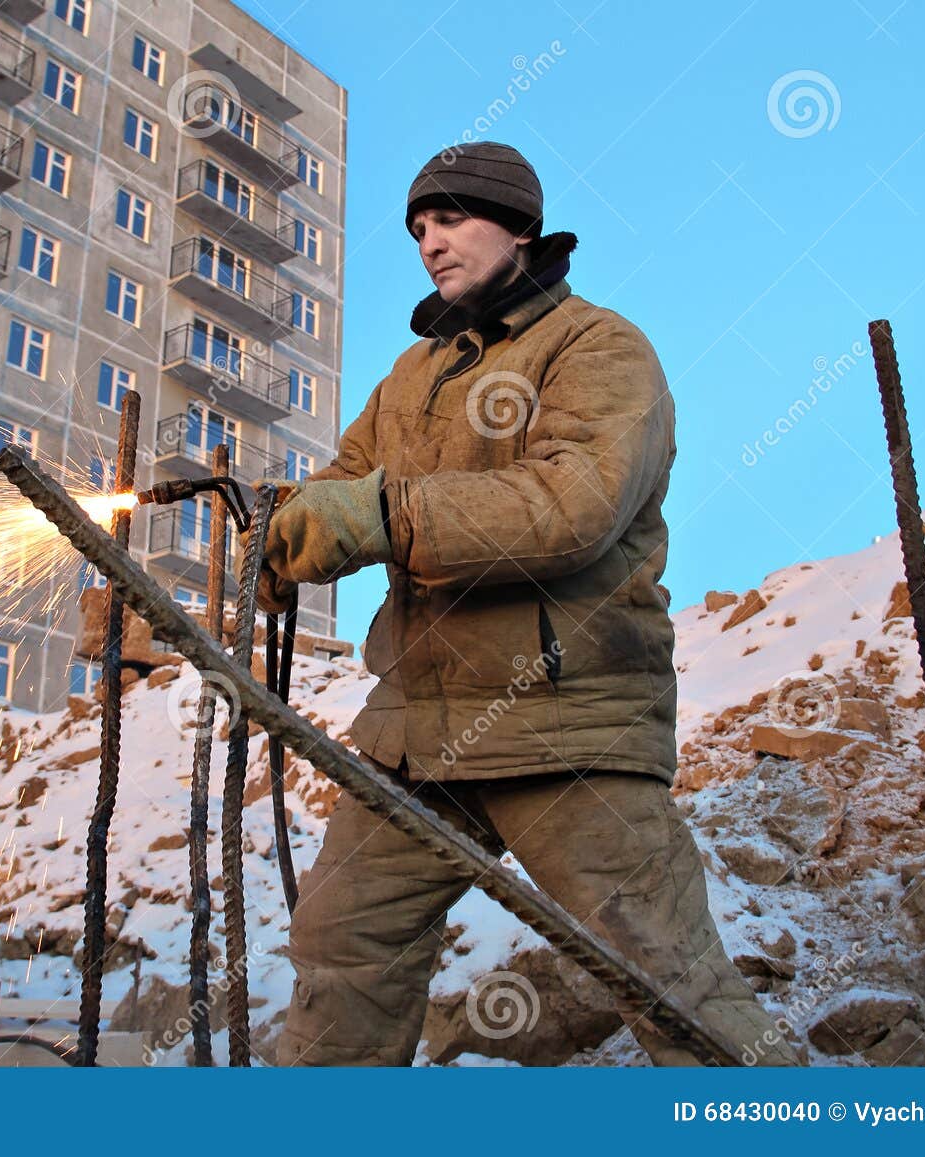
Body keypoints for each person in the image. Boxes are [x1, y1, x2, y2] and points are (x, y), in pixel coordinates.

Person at [239, 141, 802, 1067]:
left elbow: (574, 502)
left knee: (673, 981)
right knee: (342, 951)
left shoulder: (597, 346)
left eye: (451, 218)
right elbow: (341, 486)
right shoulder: (411, 377)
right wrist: (278, 529)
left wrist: (382, 511)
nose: (430, 242)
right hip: (415, 732)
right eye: (419, 228)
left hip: (564, 719)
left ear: (520, 225)